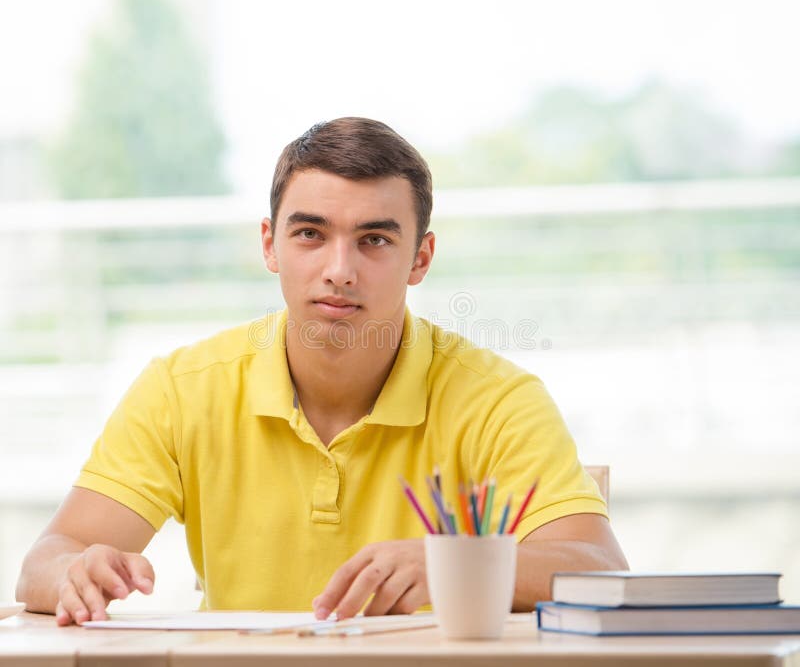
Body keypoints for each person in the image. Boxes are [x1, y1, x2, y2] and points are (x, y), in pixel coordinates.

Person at [16, 117, 627, 626]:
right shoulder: (182, 389)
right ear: (269, 245)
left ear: (421, 258)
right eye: (310, 233)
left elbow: (602, 571)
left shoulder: (498, 399)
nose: (339, 269)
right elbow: (45, 561)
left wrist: (448, 564)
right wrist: (74, 573)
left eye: (374, 240)